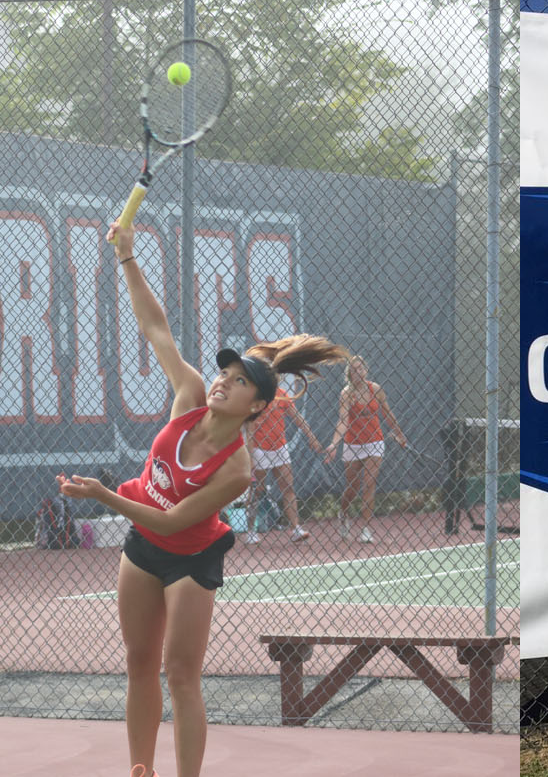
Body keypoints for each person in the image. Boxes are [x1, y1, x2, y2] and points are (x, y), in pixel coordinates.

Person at [56, 221, 348, 777]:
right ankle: (140, 768)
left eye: (239, 382)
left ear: (257, 407)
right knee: (139, 663)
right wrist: (128, 258)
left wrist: (102, 496)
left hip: (190, 554)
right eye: (225, 372)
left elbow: (171, 524)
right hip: (143, 543)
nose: (223, 381)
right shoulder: (188, 397)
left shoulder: (237, 468)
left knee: (180, 673)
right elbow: (156, 329)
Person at [324, 355, 408, 543]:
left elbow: (388, 414)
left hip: (375, 443)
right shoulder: (346, 394)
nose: (358, 373)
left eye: (360, 369)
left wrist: (400, 434)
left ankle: (366, 528)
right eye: (354, 370)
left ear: (366, 370)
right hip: (353, 444)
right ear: (349, 375)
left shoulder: (376, 389)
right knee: (352, 488)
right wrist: (334, 444)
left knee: (369, 484)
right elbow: (343, 420)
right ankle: (343, 514)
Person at [242, 381, 323, 544]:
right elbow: (249, 431)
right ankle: (251, 531)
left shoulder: (282, 394)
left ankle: (295, 528)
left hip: (280, 447)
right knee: (257, 490)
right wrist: (250, 458)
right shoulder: (255, 398)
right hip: (260, 449)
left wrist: (312, 438)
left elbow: (298, 418)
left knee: (288, 487)